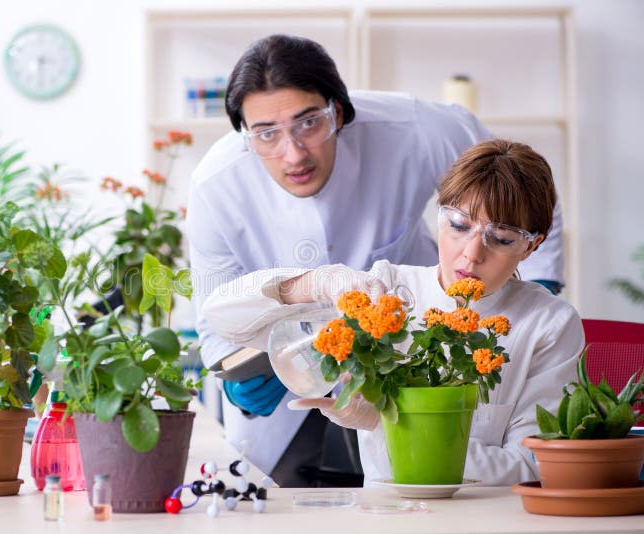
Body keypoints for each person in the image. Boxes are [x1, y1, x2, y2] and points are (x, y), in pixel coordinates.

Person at [185, 34, 565, 486]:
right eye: (266, 134)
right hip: (293, 363)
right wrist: (239, 373)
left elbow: (518, 188)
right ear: (245, 134)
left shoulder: (414, 129)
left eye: (309, 123)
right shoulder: (216, 184)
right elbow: (215, 313)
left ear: (338, 111)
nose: (294, 152)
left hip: (417, 323)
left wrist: (531, 294)